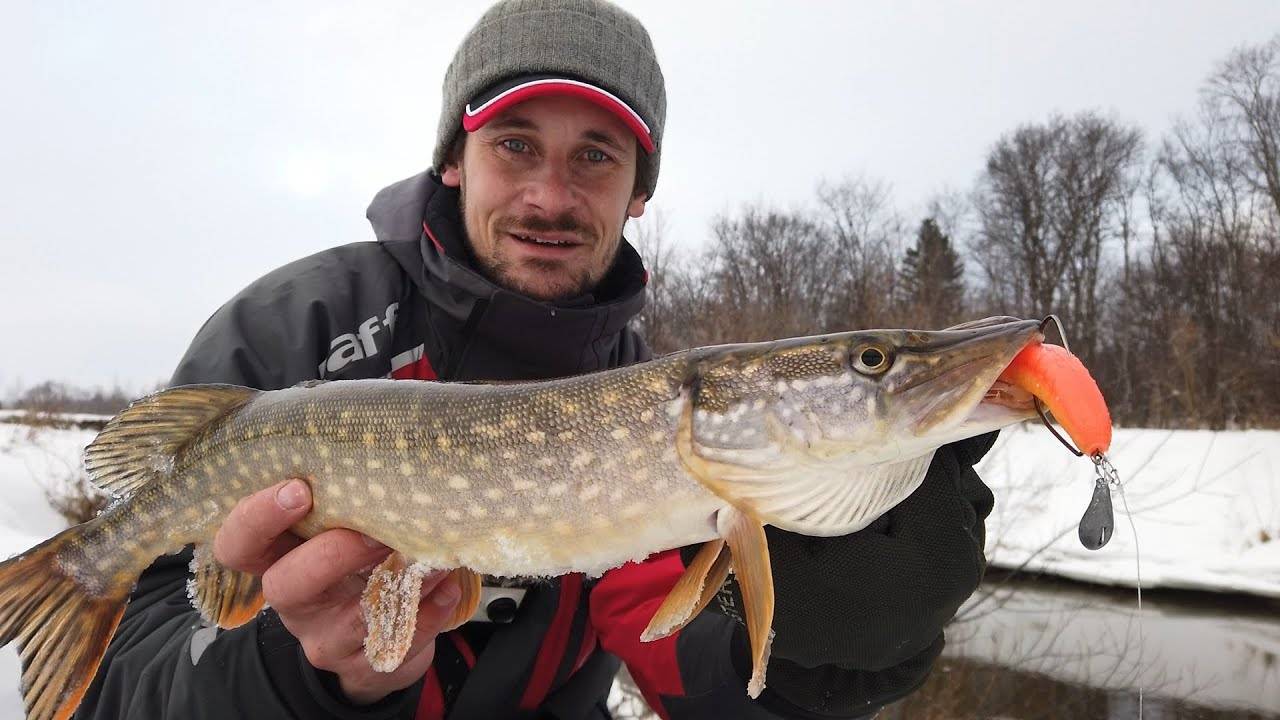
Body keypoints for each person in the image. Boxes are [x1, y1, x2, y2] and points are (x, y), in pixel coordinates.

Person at [74, 1, 997, 718]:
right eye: (515, 145)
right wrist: (296, 674)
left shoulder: (657, 428)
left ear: (639, 195)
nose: (551, 196)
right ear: (453, 160)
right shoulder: (293, 329)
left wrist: (823, 665)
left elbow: (690, 673)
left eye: (596, 157)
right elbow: (125, 682)